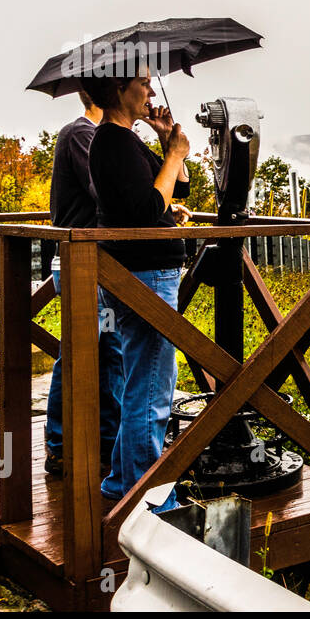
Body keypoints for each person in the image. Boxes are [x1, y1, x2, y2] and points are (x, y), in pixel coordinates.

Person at [81, 65, 192, 513]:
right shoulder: (112, 141)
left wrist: (170, 146)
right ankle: (151, 500)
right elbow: (148, 209)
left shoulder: (125, 141)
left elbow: (176, 188)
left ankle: (123, 481)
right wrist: (172, 156)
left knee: (140, 382)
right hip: (144, 275)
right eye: (143, 81)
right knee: (151, 387)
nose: (150, 88)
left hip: (141, 273)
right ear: (119, 88)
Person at [44, 89, 124, 478]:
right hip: (79, 261)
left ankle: (107, 444)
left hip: (95, 261)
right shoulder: (82, 134)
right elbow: (105, 194)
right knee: (79, 351)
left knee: (109, 350)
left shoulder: (88, 134)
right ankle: (59, 447)